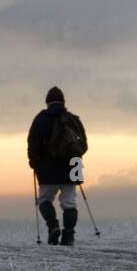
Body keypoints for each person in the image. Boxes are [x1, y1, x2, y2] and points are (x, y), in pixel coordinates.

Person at [27, 86, 88, 246]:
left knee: (44, 199)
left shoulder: (40, 119)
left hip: (48, 168)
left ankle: (53, 226)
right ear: (63, 101)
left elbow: (32, 143)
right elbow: (84, 146)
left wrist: (34, 163)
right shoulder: (73, 119)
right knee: (69, 202)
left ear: (47, 102)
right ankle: (69, 235)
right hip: (72, 167)